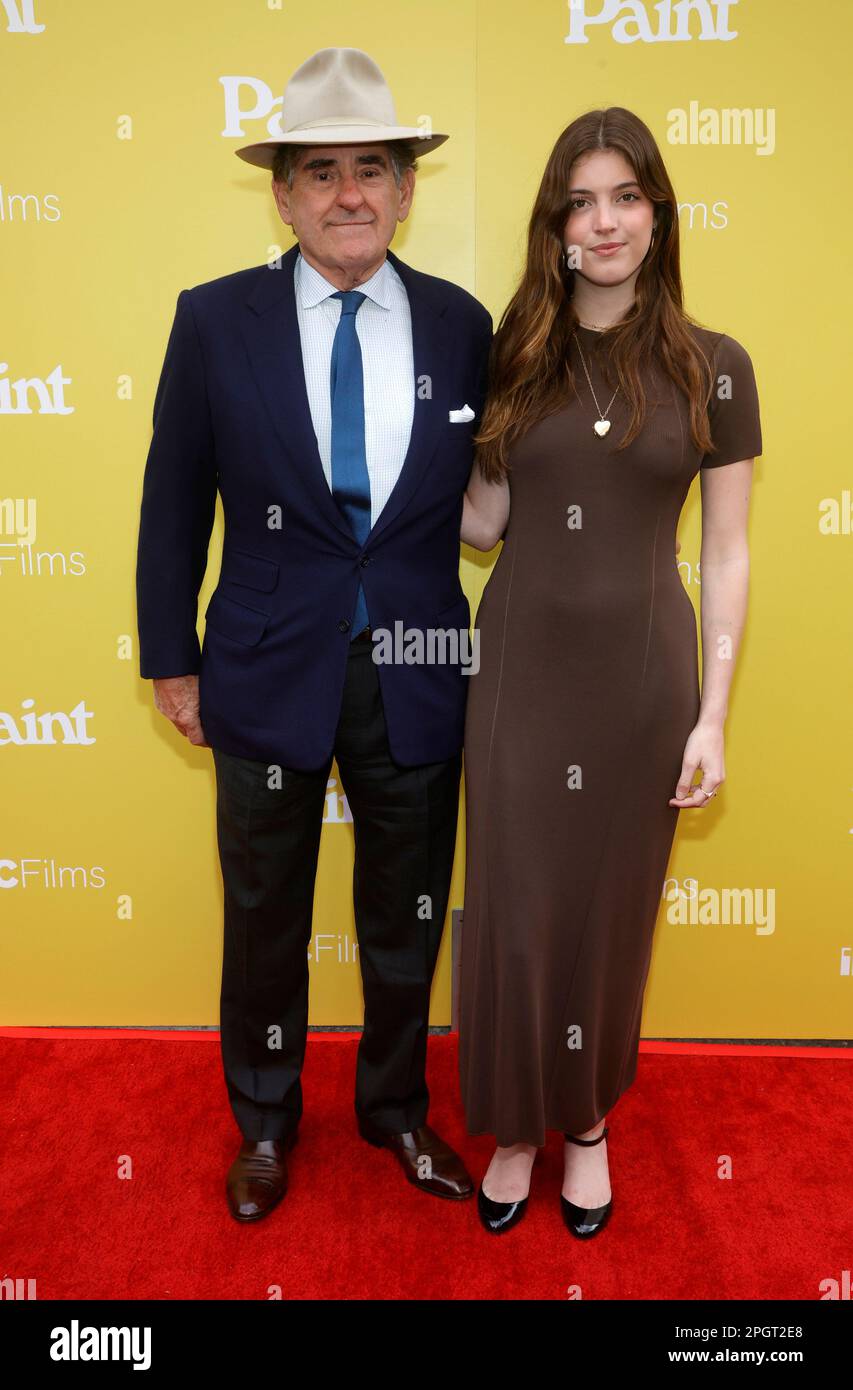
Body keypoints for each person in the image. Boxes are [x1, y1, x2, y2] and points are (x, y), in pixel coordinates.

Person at [135, 47, 492, 1221]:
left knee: (408, 914)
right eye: (322, 170)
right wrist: (171, 658)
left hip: (421, 665)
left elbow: (494, 497)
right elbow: (175, 502)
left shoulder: (459, 324)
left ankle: (394, 1110)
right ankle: (268, 1120)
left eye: (372, 168)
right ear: (281, 194)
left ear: (405, 188)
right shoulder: (212, 321)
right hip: (264, 664)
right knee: (265, 917)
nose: (349, 193)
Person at [458, 107, 762, 1239]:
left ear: (656, 211)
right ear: (554, 221)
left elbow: (724, 550)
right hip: (520, 673)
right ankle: (519, 1126)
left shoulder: (712, 366)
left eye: (623, 197)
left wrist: (714, 714)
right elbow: (483, 527)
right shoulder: (515, 347)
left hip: (644, 681)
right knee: (519, 911)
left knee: (609, 914)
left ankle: (582, 1124)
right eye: (579, 201)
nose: (603, 221)